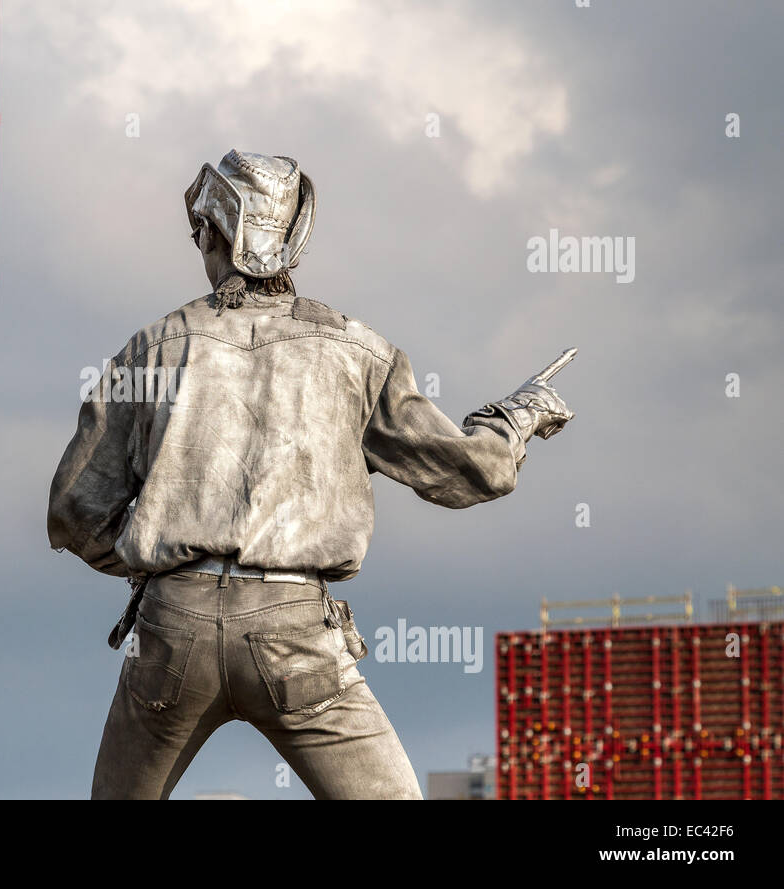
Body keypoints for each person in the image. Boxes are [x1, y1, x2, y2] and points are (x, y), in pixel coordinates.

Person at [46, 149, 573, 799]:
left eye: (199, 234)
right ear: (293, 247)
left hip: (170, 635)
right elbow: (473, 471)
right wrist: (515, 417)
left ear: (211, 233)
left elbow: (74, 509)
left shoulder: (152, 349)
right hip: (294, 634)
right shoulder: (356, 351)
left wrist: (150, 565)